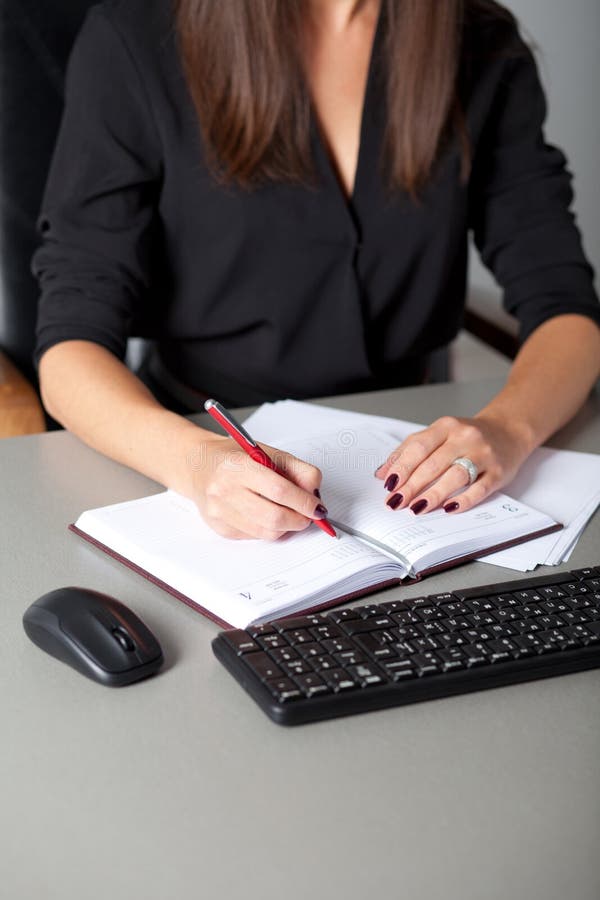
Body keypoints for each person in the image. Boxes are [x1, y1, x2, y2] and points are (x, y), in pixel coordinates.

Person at [34, 0, 600, 541]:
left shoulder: (479, 41)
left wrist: (507, 429)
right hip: (200, 434)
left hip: (416, 445)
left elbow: (566, 306)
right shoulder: (135, 38)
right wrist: (195, 461)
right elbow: (70, 349)